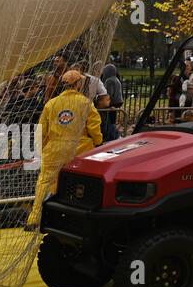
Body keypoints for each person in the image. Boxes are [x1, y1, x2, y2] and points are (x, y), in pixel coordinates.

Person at [26, 70, 103, 229]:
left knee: (45, 182)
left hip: (54, 148)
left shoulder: (51, 104)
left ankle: (34, 218)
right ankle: (72, 219)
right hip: (79, 149)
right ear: (78, 84)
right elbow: (94, 127)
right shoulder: (85, 103)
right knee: (76, 185)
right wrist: (98, 142)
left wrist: (41, 151)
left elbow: (41, 130)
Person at [99, 63, 125, 141]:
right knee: (112, 120)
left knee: (108, 121)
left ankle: (112, 135)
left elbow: (108, 94)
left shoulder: (109, 81)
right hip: (118, 102)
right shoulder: (117, 79)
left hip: (112, 103)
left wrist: (107, 103)